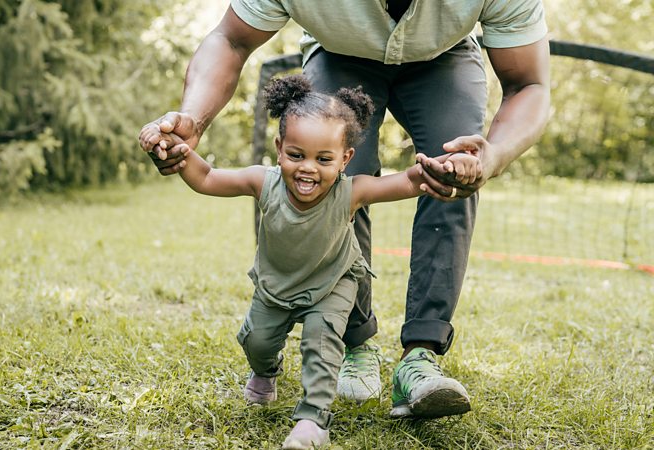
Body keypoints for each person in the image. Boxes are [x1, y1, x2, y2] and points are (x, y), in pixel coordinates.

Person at [139, 0, 550, 419]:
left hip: (442, 57)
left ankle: (420, 357)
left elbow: (528, 84)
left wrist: (494, 156)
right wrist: (193, 117)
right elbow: (231, 38)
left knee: (453, 173)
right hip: (339, 53)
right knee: (330, 177)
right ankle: (354, 341)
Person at [166, 74, 482, 449]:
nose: (308, 169)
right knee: (258, 341)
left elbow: (406, 181)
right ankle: (266, 371)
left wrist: (441, 167)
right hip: (276, 284)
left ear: (345, 159)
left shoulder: (351, 192)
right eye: (296, 155)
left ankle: (313, 421)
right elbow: (206, 177)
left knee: (322, 344)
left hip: (332, 284)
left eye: (324, 159)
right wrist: (178, 152)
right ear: (280, 147)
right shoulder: (262, 182)